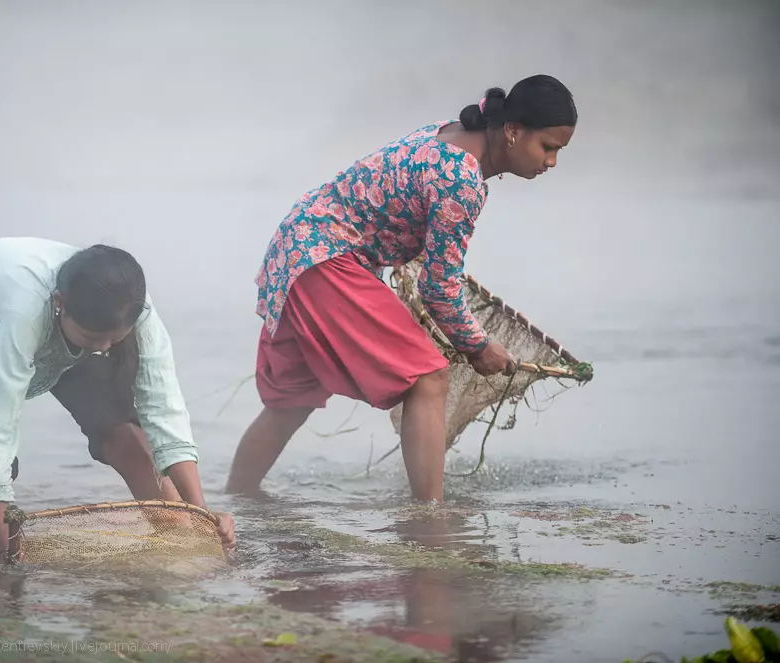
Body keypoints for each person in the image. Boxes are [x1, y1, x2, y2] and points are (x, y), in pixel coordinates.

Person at [225, 74, 577, 502]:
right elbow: (438, 289)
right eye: (548, 147)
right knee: (428, 378)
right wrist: (478, 346)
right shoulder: (461, 181)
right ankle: (430, 523)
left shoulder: (452, 133)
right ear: (513, 131)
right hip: (326, 261)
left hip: (296, 248)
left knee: (291, 402)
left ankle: (236, 504)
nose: (553, 162)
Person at [0, 237, 236, 561]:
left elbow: (163, 407)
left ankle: (178, 533)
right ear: (59, 303)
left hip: (67, 320)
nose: (104, 349)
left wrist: (204, 518)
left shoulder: (129, 306)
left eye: (116, 339)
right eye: (94, 339)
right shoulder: (24, 313)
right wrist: (3, 557)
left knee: (119, 429)